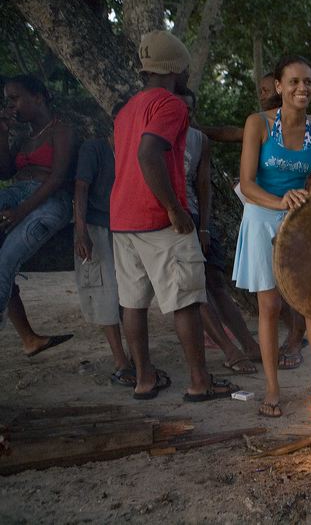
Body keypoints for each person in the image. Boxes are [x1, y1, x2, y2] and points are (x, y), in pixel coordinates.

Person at [111, 30, 238, 401]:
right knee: (185, 299)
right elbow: (149, 155)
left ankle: (144, 379)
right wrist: (173, 207)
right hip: (157, 218)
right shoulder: (171, 105)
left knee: (133, 303)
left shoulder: (126, 111)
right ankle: (200, 382)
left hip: (122, 218)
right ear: (177, 70)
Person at [233, 55, 311, 417]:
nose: (301, 88)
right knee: (270, 306)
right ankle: (272, 389)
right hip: (262, 215)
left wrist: (305, 203)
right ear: (278, 87)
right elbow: (246, 183)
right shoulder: (257, 124)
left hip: (300, 217)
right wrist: (280, 202)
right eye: (293, 82)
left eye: (307, 81)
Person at [179, 89, 260, 374]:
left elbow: (202, 184)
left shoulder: (198, 139)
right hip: (173, 221)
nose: (185, 113)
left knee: (216, 284)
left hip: (199, 218)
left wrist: (203, 225)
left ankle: (249, 345)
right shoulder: (160, 138)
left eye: (190, 109)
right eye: (180, 107)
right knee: (193, 289)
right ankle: (231, 350)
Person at [0, 75, 76, 354]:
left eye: (15, 98)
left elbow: (56, 179)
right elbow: (5, 172)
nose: (11, 105)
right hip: (17, 191)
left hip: (49, 201)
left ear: (38, 97)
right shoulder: (23, 136)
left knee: (5, 260)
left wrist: (21, 211)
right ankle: (29, 339)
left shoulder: (62, 131)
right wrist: (2, 132)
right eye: (8, 99)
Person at [73, 104, 134, 385]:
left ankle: (136, 355)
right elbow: (81, 188)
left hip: (124, 228)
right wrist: (81, 229)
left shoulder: (132, 152)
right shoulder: (94, 149)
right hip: (97, 227)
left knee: (129, 295)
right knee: (105, 294)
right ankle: (121, 360)